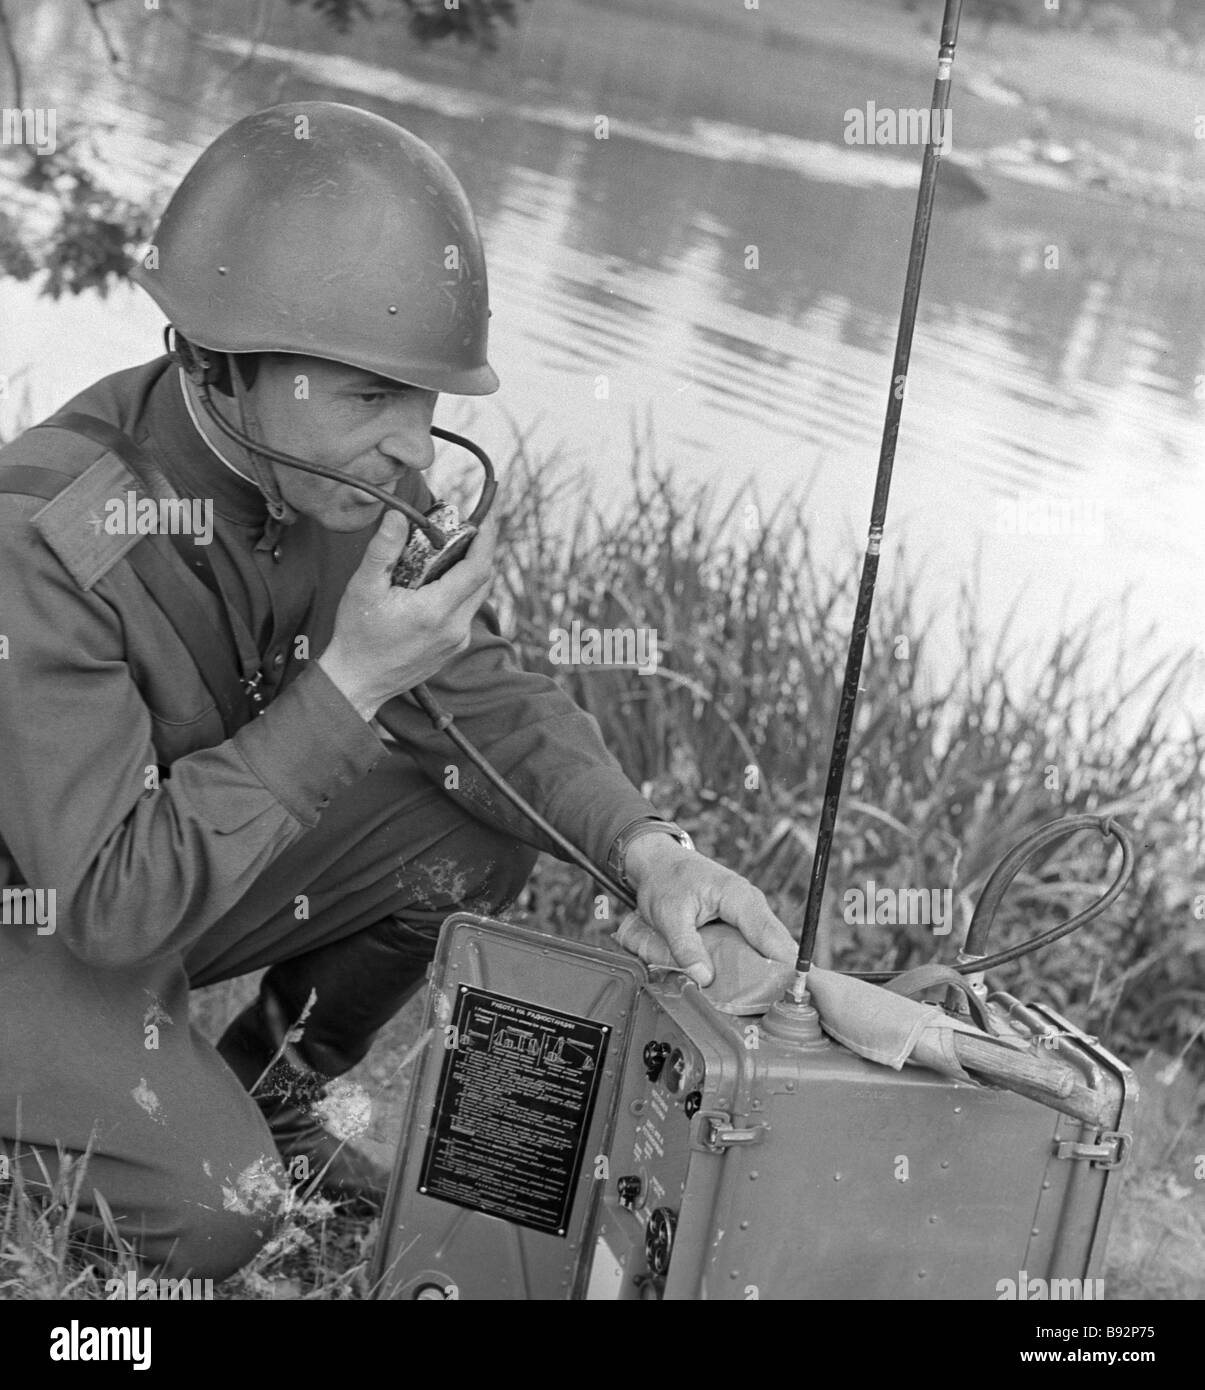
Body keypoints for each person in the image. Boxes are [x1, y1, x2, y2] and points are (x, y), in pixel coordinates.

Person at [0, 101, 795, 1280]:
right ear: (220, 367)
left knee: (466, 831)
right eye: (370, 397)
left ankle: (274, 1085)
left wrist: (647, 849)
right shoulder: (48, 537)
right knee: (226, 1212)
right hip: (51, 923)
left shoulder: (335, 480)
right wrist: (352, 680)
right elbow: (109, 906)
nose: (415, 448)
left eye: (427, 401)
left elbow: (478, 691)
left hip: (157, 882)